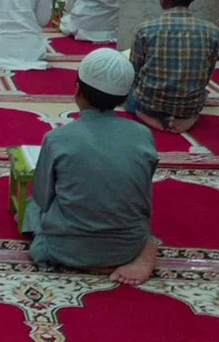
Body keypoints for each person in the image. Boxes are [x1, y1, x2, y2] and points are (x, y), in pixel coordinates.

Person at [23, 48, 159, 286]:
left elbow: (43, 198)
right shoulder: (143, 135)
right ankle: (144, 249)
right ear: (124, 97)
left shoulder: (58, 139)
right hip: (127, 248)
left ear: (77, 90)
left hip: (64, 249)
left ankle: (86, 254)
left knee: (31, 208)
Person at [127, 0, 219, 134]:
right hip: (189, 107)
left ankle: (144, 116)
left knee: (126, 95)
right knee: (202, 93)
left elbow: (134, 74)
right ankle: (191, 118)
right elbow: (206, 76)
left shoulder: (145, 30)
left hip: (149, 105)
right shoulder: (212, 32)